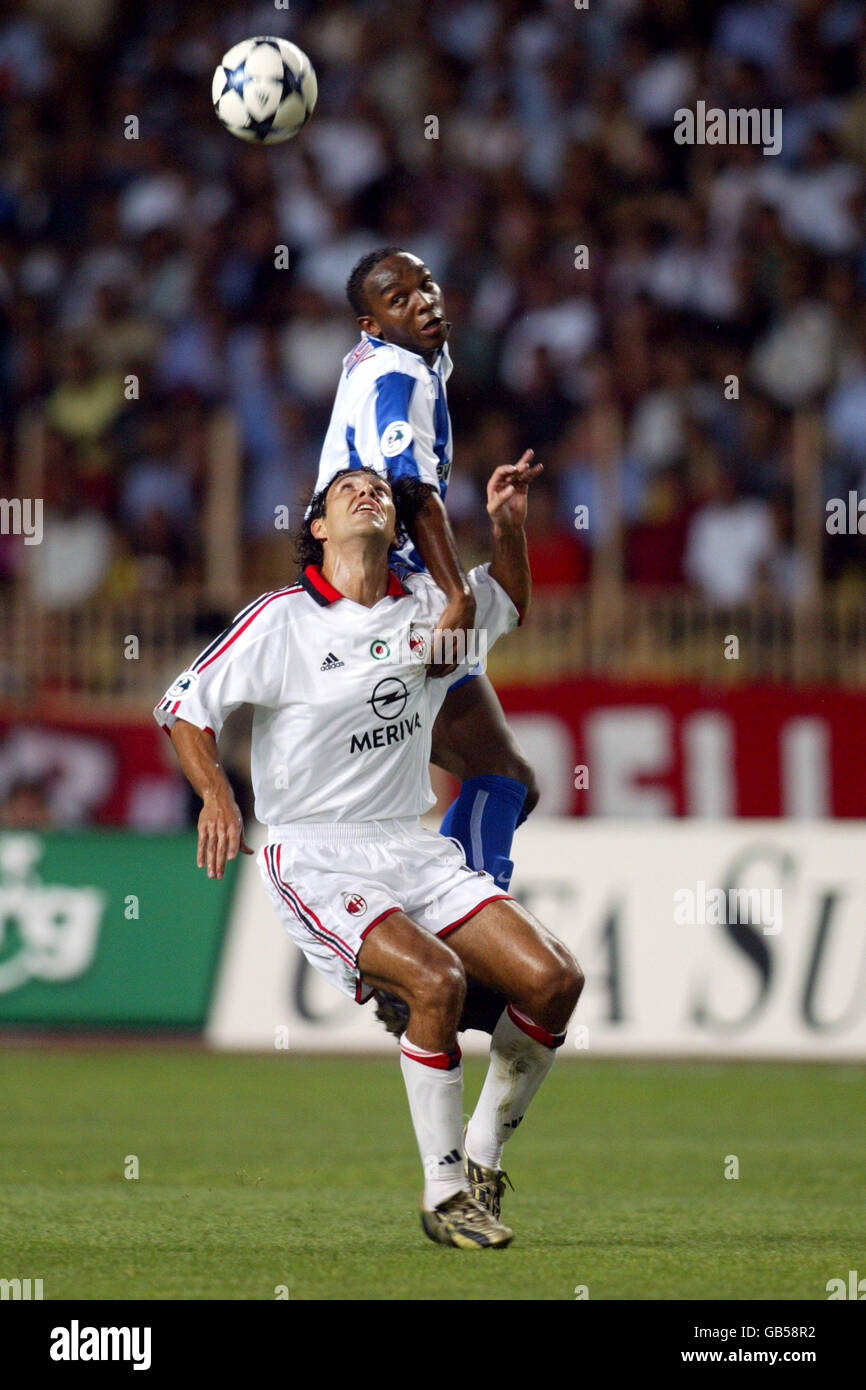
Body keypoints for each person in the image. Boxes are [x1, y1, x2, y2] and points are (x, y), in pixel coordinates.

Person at [155, 459, 583, 1249]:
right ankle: (444, 1192)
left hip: (406, 842)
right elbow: (185, 707)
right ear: (316, 528)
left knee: (555, 979)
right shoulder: (282, 620)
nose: (368, 490)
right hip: (313, 853)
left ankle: (484, 1159)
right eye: (346, 487)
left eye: (380, 488)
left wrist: (510, 527)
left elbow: (511, 601)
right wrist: (217, 794)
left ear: (396, 525)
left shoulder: (428, 603)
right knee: (436, 982)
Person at [314, 246, 540, 1037]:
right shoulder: (398, 375)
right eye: (398, 296)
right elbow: (409, 489)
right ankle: (444, 947)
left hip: (368, 595)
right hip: (393, 601)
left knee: (504, 775)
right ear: (370, 322)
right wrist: (450, 596)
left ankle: (427, 950)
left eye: (427, 285)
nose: (423, 301)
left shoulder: (396, 362)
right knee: (501, 774)